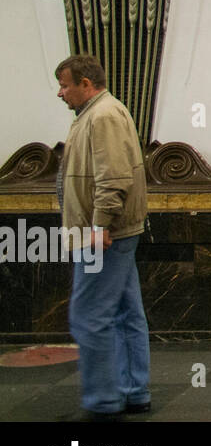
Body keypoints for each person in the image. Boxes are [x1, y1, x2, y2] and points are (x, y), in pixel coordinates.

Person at [54, 54, 151, 420]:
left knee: (88, 315)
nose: (60, 93)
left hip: (102, 234)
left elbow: (113, 177)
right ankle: (132, 390)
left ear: (85, 83)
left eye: (65, 85)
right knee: (126, 313)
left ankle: (102, 400)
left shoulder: (103, 115)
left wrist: (99, 226)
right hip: (110, 230)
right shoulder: (96, 113)